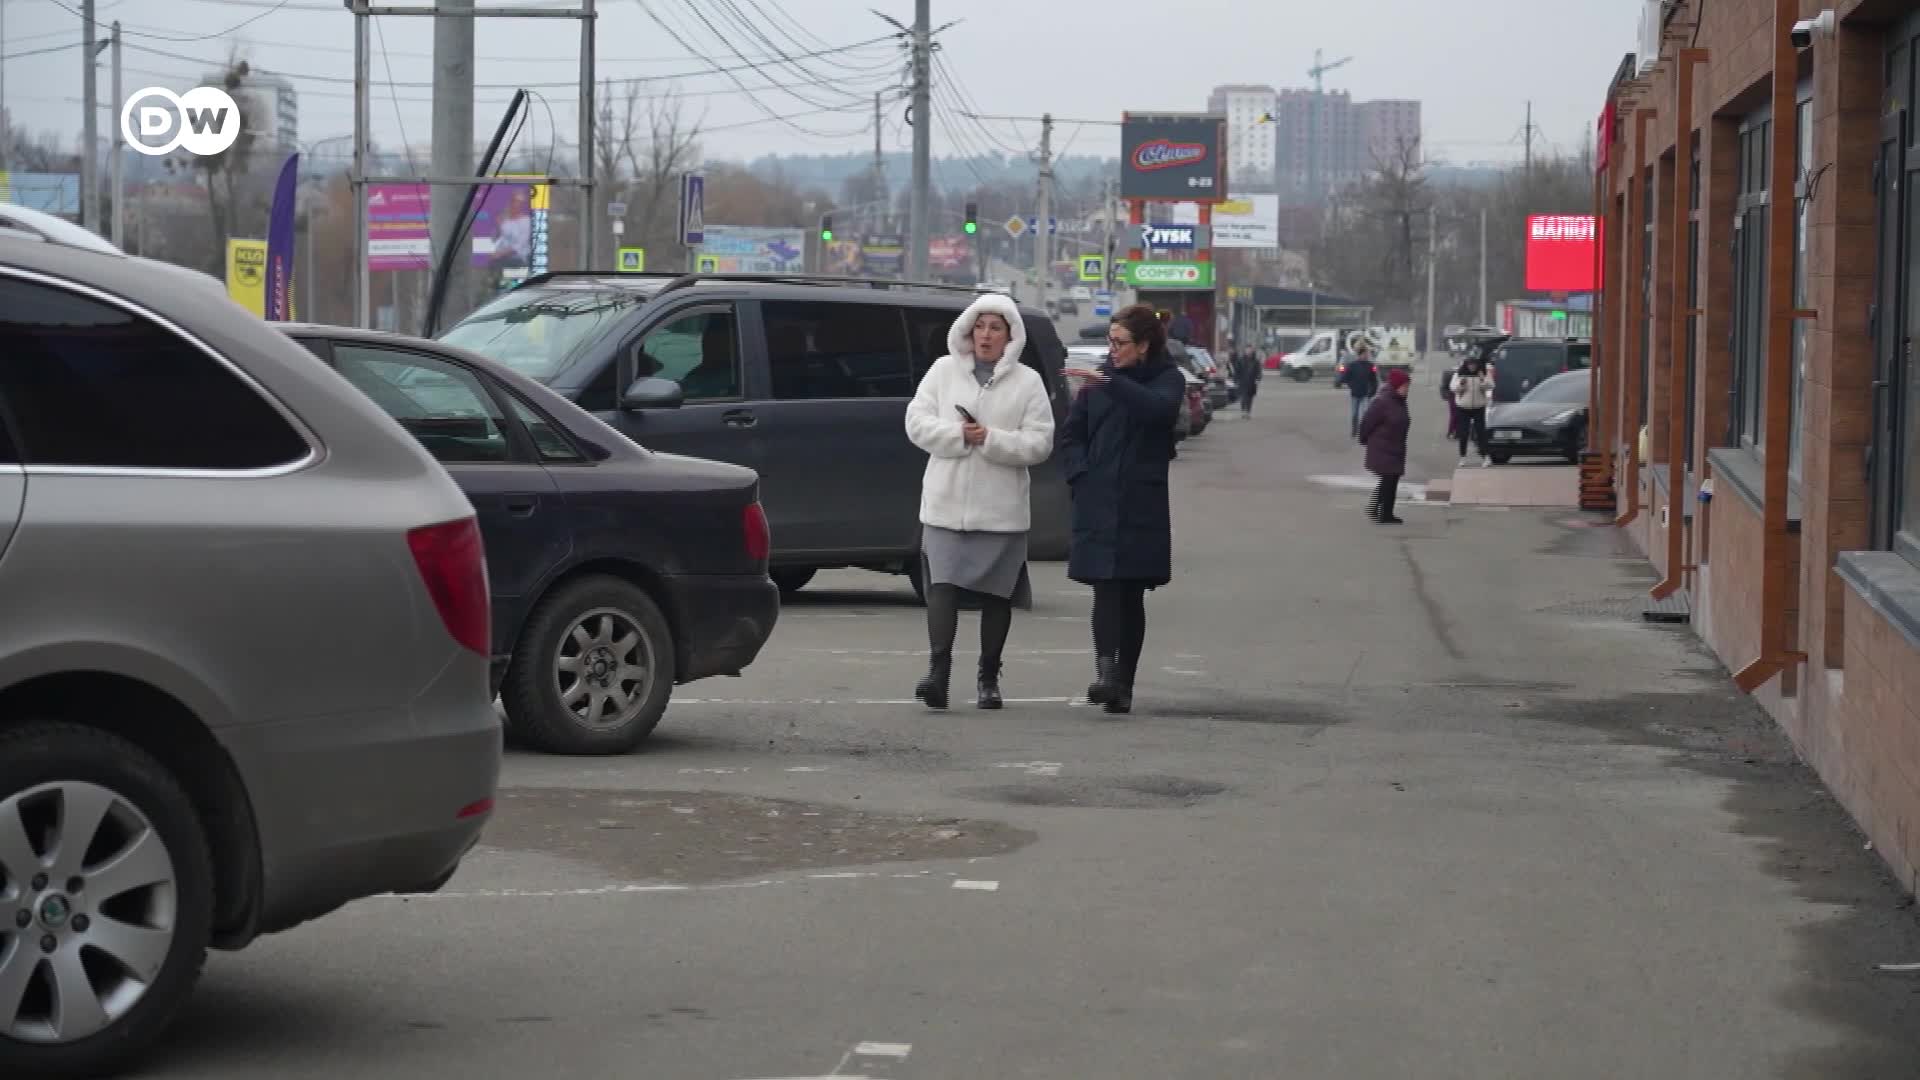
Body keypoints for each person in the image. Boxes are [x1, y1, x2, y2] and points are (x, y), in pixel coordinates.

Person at [904, 293, 1057, 710]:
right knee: (942, 587)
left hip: (1000, 508)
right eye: (980, 326)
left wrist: (990, 439)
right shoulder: (943, 371)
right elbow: (915, 423)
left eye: (996, 328)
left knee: (996, 595)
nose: (986, 335)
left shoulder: (1027, 382)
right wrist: (957, 436)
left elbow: (1041, 442)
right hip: (945, 502)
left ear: (1011, 336)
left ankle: (988, 678)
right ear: (968, 330)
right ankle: (938, 673)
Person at [1059, 304, 1187, 715]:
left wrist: (1112, 382)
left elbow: (1158, 411)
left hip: (1139, 501)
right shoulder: (1099, 382)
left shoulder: (1167, 379)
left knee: (1130, 591)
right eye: (1109, 342)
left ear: (1144, 345)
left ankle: (1123, 684)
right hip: (1097, 497)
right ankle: (1106, 675)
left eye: (1120, 343)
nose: (1111, 350)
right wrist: (1080, 474)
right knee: (1104, 586)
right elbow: (1072, 435)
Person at [1359, 368, 1412, 524]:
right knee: (1389, 479)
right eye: (1405, 386)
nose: (1407, 389)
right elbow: (1366, 423)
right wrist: (1364, 439)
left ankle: (1377, 509)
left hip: (1395, 446)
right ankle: (1384, 514)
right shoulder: (1382, 401)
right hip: (1383, 447)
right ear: (1397, 385)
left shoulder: (1400, 401)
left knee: (1390, 479)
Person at [1449, 354, 1495, 467]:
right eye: (1470, 365)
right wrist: (1461, 384)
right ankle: (1462, 457)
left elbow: (1491, 386)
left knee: (1481, 433)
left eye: (1474, 364)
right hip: (1463, 407)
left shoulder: (1483, 373)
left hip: (1479, 407)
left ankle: (1485, 457)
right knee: (1463, 433)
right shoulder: (1459, 374)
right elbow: (1453, 388)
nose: (1472, 367)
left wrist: (1482, 379)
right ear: (1466, 365)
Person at [1335, 337, 1379, 440]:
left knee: (1364, 413)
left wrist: (1374, 389)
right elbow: (1343, 371)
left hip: (1365, 391)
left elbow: (1374, 375)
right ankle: (1355, 430)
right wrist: (1341, 380)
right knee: (1355, 414)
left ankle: (1364, 431)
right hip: (1355, 392)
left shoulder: (1369, 361)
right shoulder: (1350, 359)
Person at [1232, 346, 1263, 417]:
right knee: (1243, 397)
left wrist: (1258, 379)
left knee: (1250, 398)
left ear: (1252, 351)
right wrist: (1235, 381)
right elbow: (1237, 371)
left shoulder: (1255, 361)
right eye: (1247, 350)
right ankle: (1243, 411)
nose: (1248, 351)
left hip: (1252, 382)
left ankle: (1248, 411)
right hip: (1242, 382)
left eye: (1250, 350)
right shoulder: (1240, 360)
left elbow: (1258, 371)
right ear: (1245, 351)